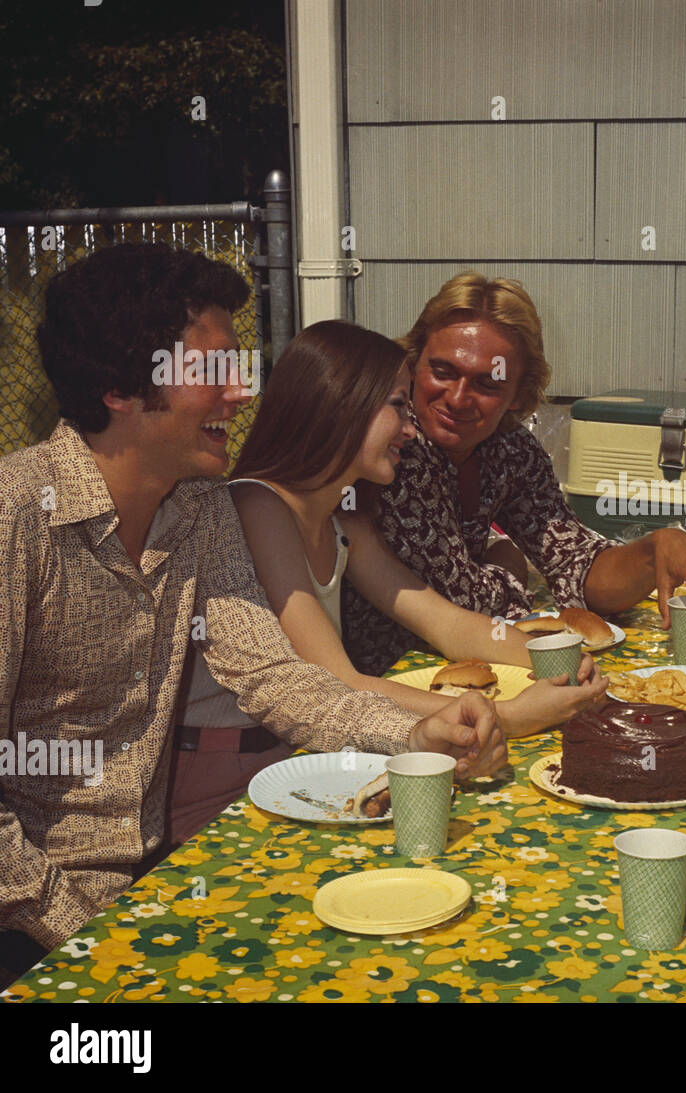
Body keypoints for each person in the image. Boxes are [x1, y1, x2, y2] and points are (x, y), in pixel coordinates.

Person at [0, 245, 504, 986]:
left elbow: (273, 675)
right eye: (212, 371)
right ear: (119, 387)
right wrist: (80, 932)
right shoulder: (17, 517)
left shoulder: (200, 505)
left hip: (152, 882)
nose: (241, 393)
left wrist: (417, 733)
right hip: (30, 921)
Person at [168, 321, 608, 844]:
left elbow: (443, 622)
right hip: (225, 783)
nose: (408, 428)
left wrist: (555, 657)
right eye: (397, 407)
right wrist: (507, 717)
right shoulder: (259, 504)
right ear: (341, 406)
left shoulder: (339, 516)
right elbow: (336, 681)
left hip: (304, 761)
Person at [342, 271, 686, 677]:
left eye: (486, 384)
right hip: (387, 682)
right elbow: (463, 604)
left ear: (519, 395)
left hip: (481, 668)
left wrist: (657, 549)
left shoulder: (510, 449)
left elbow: (576, 565)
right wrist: (512, 570)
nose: (457, 398)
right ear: (412, 363)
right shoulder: (396, 449)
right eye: (442, 371)